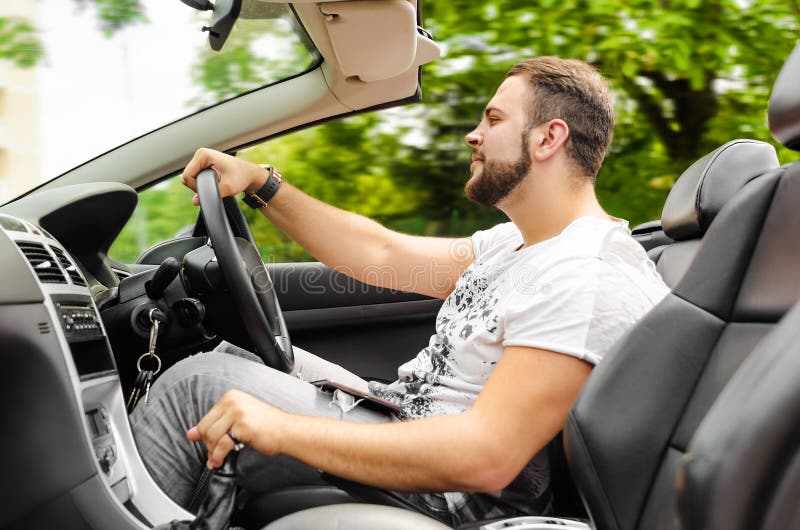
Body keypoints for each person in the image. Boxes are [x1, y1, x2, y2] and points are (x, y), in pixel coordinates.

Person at [131, 57, 669, 525]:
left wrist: (282, 428)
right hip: (407, 416)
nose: (473, 134)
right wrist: (261, 184)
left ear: (549, 138)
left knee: (197, 386)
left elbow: (487, 457)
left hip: (452, 497)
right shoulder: (519, 245)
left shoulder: (586, 274)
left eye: (494, 118)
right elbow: (381, 254)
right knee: (228, 354)